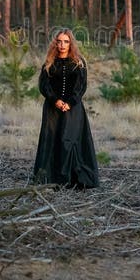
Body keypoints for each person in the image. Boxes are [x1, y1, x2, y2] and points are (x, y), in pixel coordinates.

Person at [34, 28, 99, 189]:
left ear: (71, 44)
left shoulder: (78, 63)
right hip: (52, 109)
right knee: (52, 140)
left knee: (69, 140)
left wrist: (69, 102)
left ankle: (73, 179)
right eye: (59, 41)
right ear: (55, 43)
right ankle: (51, 179)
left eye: (66, 41)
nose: (62, 45)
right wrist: (55, 101)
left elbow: (81, 86)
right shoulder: (49, 64)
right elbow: (44, 86)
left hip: (73, 109)